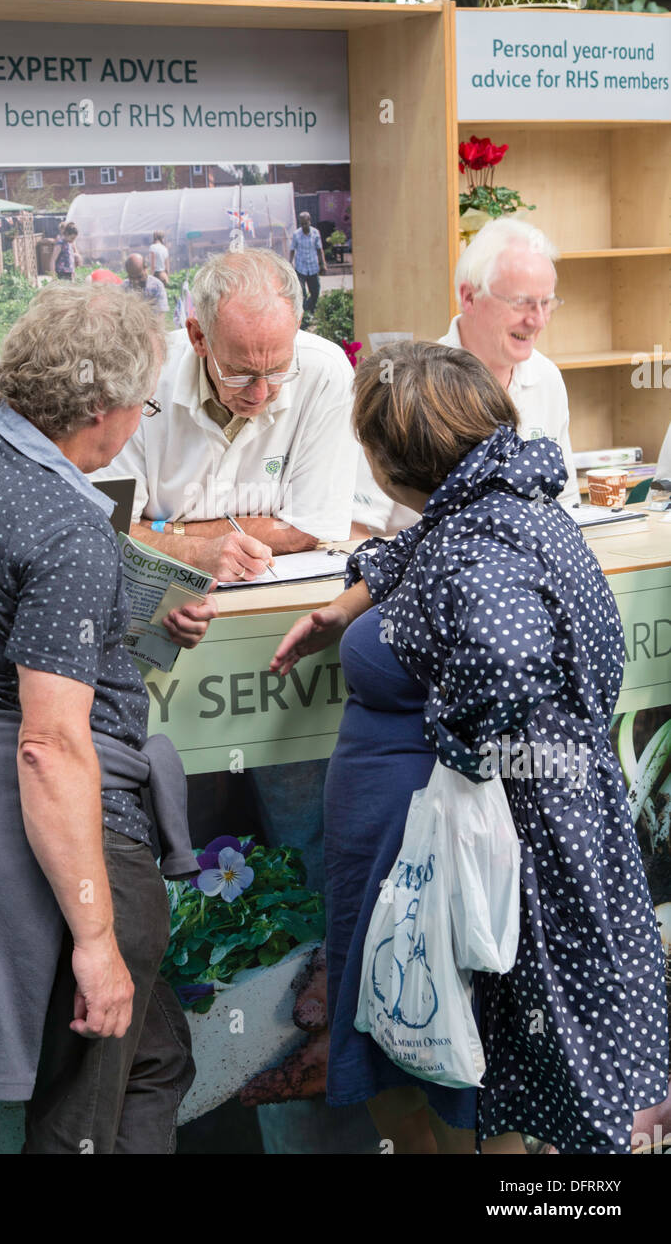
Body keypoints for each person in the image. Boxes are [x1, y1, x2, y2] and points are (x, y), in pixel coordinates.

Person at [272, 340, 668, 1155]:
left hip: (459, 834)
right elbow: (439, 550)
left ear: (390, 464)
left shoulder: (471, 545)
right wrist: (354, 603)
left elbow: (506, 654)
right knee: (464, 1065)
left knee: (450, 1070)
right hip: (500, 825)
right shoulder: (506, 500)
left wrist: (460, 749)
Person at [0, 283, 219, 1155]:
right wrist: (96, 938)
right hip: (65, 843)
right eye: (141, 404)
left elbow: (5, 593)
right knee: (81, 1117)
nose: (142, 420)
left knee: (152, 1060)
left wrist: (127, 604)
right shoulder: (67, 527)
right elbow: (49, 744)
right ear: (101, 409)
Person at [102, 247, 358, 583]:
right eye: (239, 373)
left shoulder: (325, 372)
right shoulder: (142, 373)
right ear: (198, 337)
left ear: (296, 327)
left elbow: (305, 531)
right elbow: (111, 529)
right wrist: (195, 553)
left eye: (279, 370)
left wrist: (164, 533)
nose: (260, 393)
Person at [353, 217, 580, 537]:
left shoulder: (546, 377)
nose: (537, 320)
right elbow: (358, 527)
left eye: (546, 303)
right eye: (521, 303)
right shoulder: (410, 386)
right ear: (469, 297)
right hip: (425, 576)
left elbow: (566, 503)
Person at [289, 211, 326, 324]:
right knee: (302, 294)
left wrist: (323, 263)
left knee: (315, 292)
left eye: (306, 223)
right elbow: (292, 250)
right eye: (302, 223)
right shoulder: (296, 234)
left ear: (310, 221)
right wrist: (289, 264)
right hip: (301, 268)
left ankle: (309, 310)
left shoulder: (315, 233)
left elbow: (320, 249)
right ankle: (303, 317)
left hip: (313, 267)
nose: (304, 225)